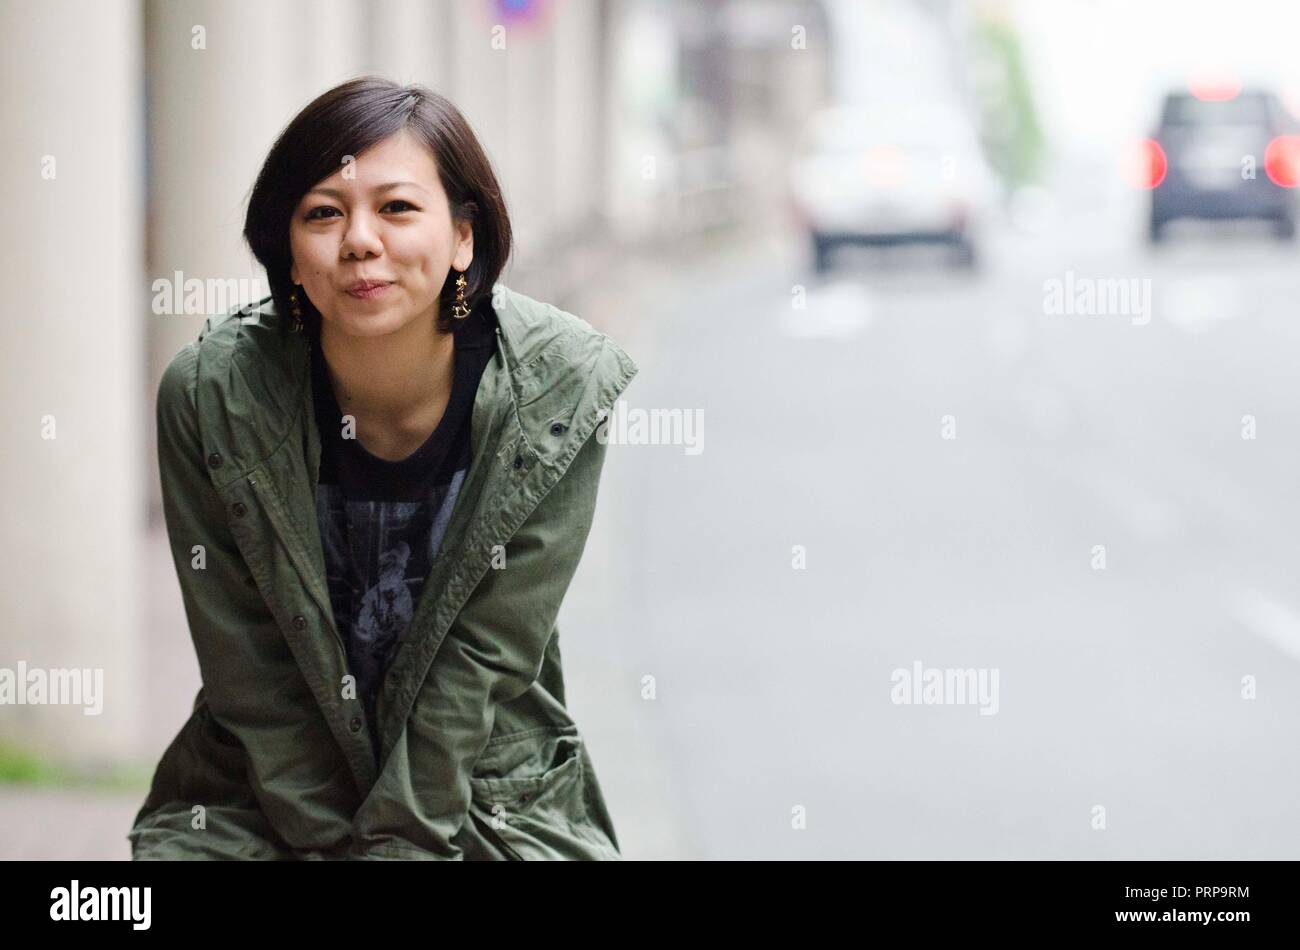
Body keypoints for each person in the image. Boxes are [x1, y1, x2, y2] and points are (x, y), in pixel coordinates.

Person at [128, 76, 637, 860]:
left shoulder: (559, 389)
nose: (359, 239)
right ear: (289, 254)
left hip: (486, 788)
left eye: (396, 207)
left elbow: (483, 660)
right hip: (259, 792)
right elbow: (252, 673)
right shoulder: (210, 397)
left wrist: (394, 849)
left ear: (464, 235)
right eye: (323, 213)